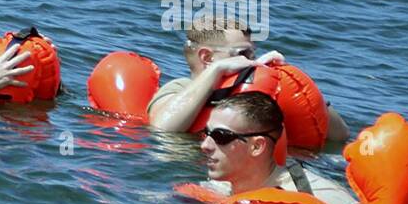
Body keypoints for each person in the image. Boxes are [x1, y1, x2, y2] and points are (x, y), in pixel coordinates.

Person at [198, 92, 382, 204]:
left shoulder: (315, 193)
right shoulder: (217, 187)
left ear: (256, 146)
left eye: (221, 136)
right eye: (206, 133)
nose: (205, 145)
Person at [148, 16, 348, 140]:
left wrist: (292, 83)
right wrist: (216, 71)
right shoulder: (177, 88)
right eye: (243, 54)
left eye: (253, 55)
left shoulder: (260, 94)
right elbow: (162, 129)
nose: (251, 61)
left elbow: (339, 136)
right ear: (207, 57)